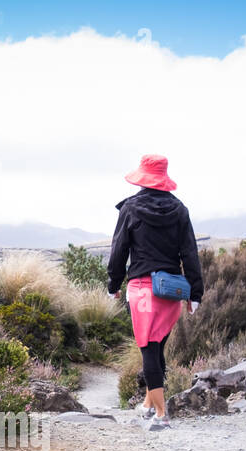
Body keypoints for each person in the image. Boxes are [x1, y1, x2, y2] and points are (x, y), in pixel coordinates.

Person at [106, 154, 203, 428]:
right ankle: (149, 406)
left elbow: (118, 251)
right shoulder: (180, 209)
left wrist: (114, 284)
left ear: (143, 177)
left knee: (148, 350)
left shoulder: (131, 209)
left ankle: (161, 416)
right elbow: (190, 253)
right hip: (171, 291)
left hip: (143, 290)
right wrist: (195, 293)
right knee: (157, 346)